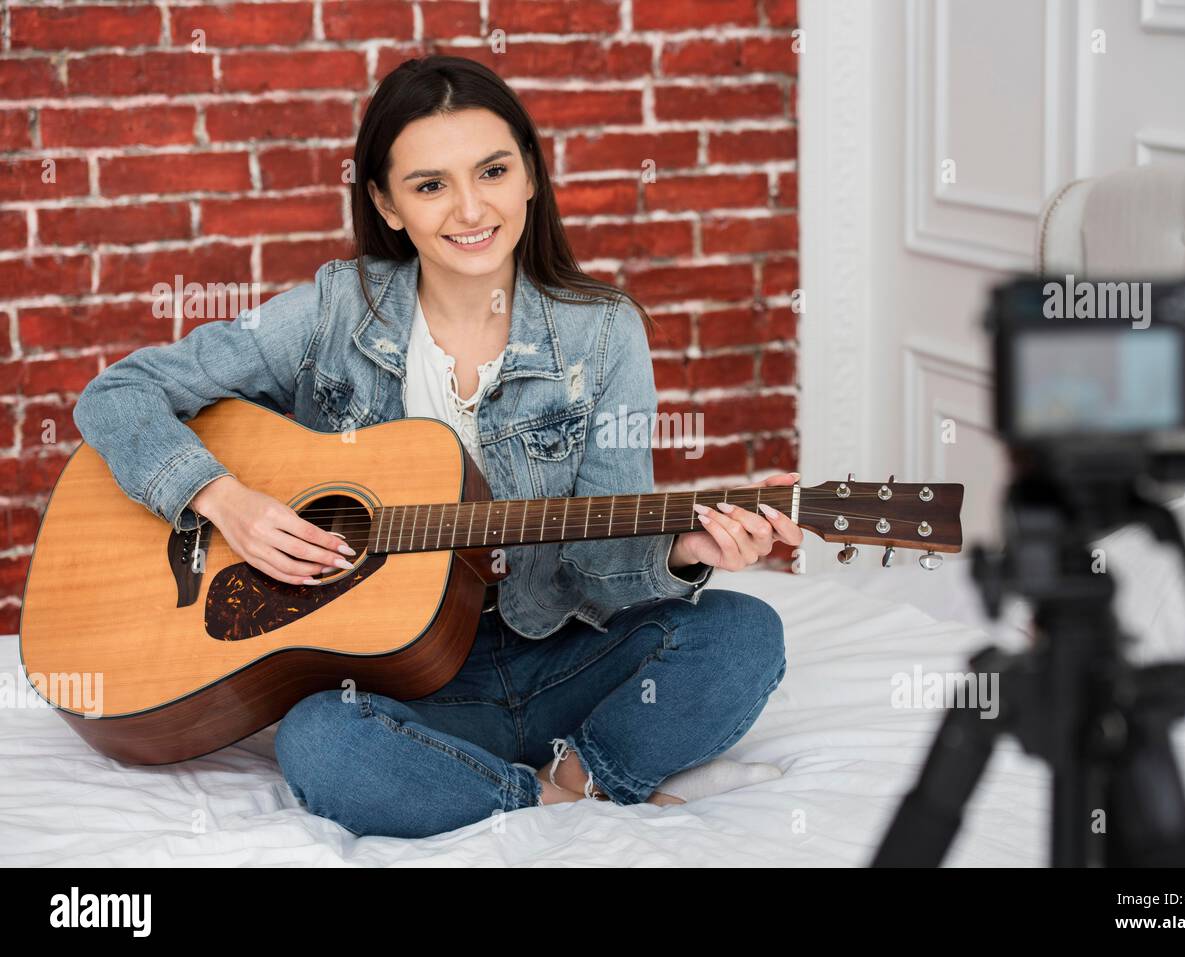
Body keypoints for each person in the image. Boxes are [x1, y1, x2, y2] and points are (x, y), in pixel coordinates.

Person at [72, 55, 799, 839]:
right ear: (386, 203)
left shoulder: (602, 332)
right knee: (318, 740)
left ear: (529, 175)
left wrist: (684, 550)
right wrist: (224, 500)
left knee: (741, 635)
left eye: (492, 170)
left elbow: (603, 577)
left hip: (554, 661)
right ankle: (550, 805)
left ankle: (573, 772)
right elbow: (116, 394)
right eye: (429, 185)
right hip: (399, 685)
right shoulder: (330, 310)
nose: (470, 207)